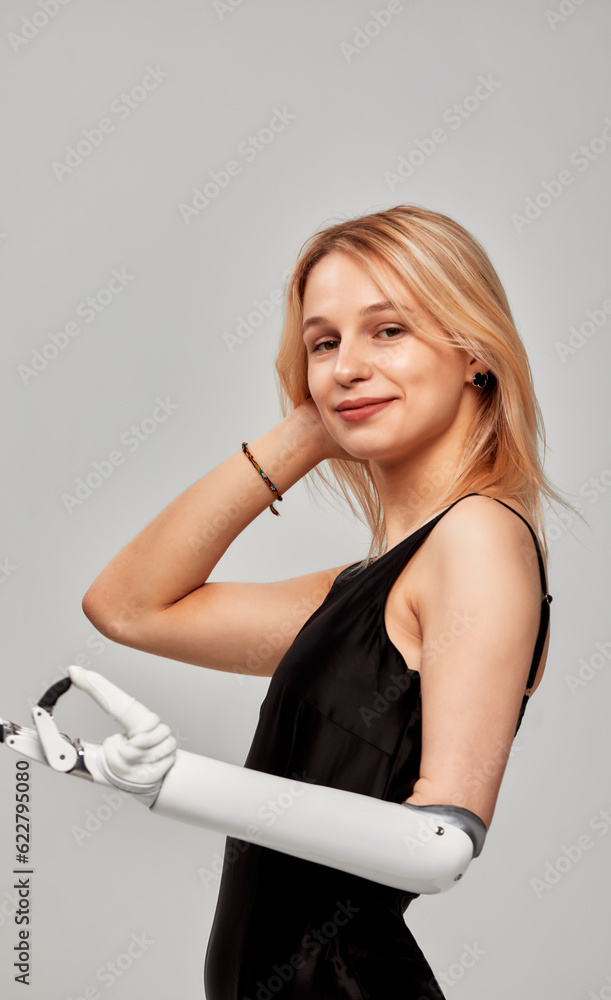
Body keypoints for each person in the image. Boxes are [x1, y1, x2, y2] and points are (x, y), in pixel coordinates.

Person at [81, 204, 561, 999]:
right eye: (322, 342)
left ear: (473, 350)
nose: (347, 365)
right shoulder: (367, 587)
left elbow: (440, 843)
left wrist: (178, 784)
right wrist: (308, 427)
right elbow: (128, 606)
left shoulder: (477, 540)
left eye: (388, 331)